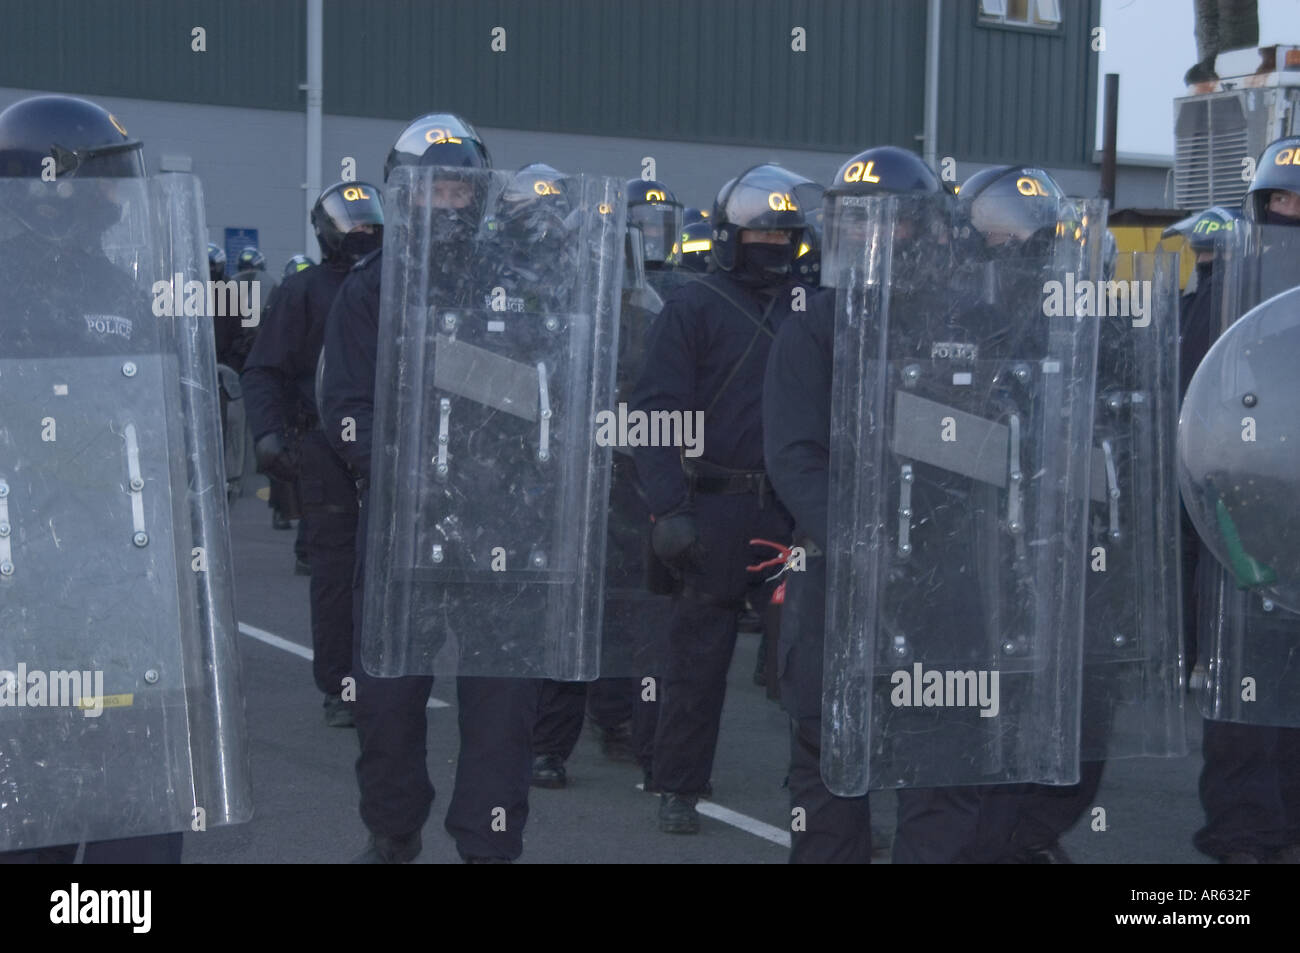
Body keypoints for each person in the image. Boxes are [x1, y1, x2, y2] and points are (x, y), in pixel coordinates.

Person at [0, 93, 248, 863]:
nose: (114, 196)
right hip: (20, 605)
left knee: (135, 827)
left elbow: (176, 437)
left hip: (127, 601)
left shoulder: (129, 295)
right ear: (51, 185)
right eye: (101, 179)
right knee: (25, 822)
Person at [320, 115, 548, 863]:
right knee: (384, 701)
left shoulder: (519, 282)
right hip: (402, 524)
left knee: (501, 705)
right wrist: (391, 472)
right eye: (434, 187)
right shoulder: (370, 287)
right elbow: (346, 406)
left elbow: (554, 396)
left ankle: (489, 842)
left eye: (461, 186)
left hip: (500, 528)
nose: (449, 201)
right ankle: (392, 827)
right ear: (404, 194)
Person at [762, 145, 955, 862]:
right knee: (829, 770)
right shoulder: (814, 324)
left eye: (889, 223)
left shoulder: (962, 322)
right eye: (853, 222)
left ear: (928, 230)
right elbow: (794, 458)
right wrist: (865, 543)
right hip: (843, 582)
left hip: (943, 589)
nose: (867, 238)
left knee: (941, 768)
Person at [629, 163, 813, 833]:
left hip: (793, 512)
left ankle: (819, 803)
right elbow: (654, 412)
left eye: (783, 235)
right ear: (733, 236)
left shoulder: (814, 305)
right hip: (713, 504)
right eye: (760, 234)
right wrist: (668, 506)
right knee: (696, 657)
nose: (773, 244)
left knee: (807, 661)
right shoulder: (693, 306)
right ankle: (678, 784)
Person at [1189, 137, 1300, 863]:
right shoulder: (1227, 301)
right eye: (1284, 203)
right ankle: (1244, 843)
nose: (1294, 214)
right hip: (1246, 531)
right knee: (1247, 706)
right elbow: (1189, 418)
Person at [242, 180, 384, 727]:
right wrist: (267, 434)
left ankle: (386, 673)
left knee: (388, 571)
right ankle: (342, 686)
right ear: (326, 230)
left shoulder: (396, 284)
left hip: (390, 444)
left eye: (370, 221)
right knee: (336, 566)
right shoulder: (303, 291)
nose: (364, 231)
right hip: (327, 449)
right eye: (353, 223)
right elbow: (263, 369)